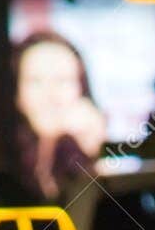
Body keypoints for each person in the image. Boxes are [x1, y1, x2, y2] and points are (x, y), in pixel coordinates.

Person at [12, 31, 106, 200]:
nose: (50, 94)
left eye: (62, 80)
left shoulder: (92, 154)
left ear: (81, 90)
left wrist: (95, 153)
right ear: (17, 95)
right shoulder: (7, 166)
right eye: (35, 81)